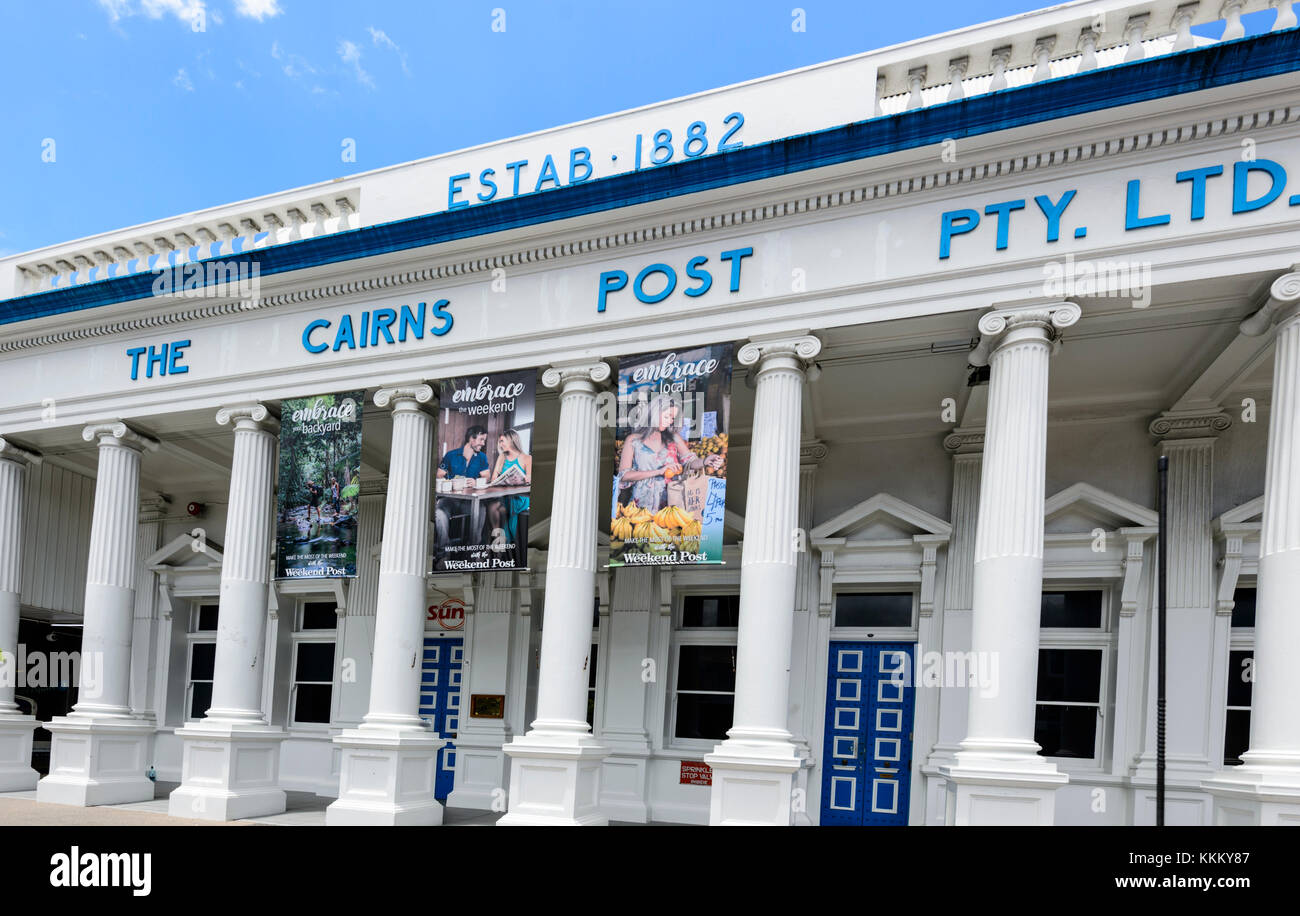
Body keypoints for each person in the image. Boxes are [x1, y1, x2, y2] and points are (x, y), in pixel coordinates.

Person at [617, 394, 723, 512]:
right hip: (640, 506)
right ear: (655, 413)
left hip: (671, 504)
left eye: (673, 418)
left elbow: (689, 461)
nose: (670, 422)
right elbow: (624, 475)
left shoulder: (673, 438)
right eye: (667, 416)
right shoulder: (633, 440)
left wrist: (705, 461)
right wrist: (658, 471)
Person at [436, 426, 491, 546]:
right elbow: (439, 475)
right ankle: (444, 553)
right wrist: (452, 482)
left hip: (470, 503)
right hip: (450, 500)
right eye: (481, 439)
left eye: (484, 440)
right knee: (439, 513)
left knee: (481, 509)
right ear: (471, 439)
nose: (483, 443)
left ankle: (473, 549)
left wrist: (476, 482)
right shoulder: (451, 455)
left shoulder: (482, 457)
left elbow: (487, 476)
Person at [487, 429, 531, 550]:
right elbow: (493, 479)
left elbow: (530, 481)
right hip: (504, 495)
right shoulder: (502, 457)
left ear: (512, 440)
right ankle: (499, 541)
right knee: (492, 506)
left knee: (498, 508)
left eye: (502, 441)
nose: (500, 444)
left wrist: (527, 479)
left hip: (520, 497)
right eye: (499, 442)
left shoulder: (527, 458)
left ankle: (501, 543)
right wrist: (499, 478)